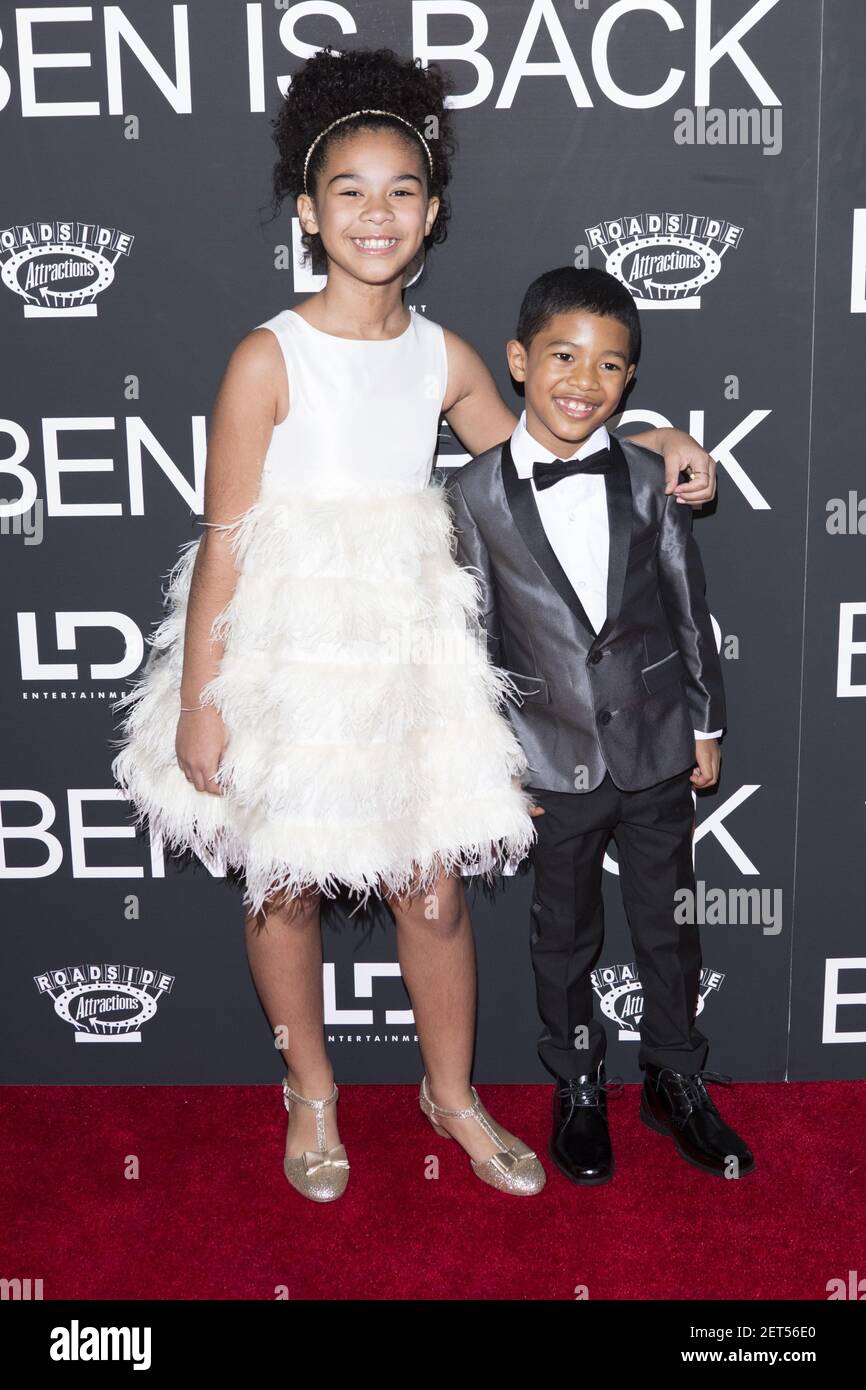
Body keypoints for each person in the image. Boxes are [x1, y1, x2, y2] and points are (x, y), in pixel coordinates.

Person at [110, 46, 717, 1204]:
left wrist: (657, 441)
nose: (374, 214)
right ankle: (313, 1095)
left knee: (432, 892)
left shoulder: (441, 355)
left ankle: (452, 1096)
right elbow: (225, 540)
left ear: (431, 213)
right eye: (348, 191)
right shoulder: (264, 358)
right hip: (283, 661)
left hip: (411, 653)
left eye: (400, 192)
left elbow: (541, 449)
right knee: (281, 884)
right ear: (306, 208)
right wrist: (201, 701)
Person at [446, 266, 754, 1185]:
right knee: (564, 936)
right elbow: (475, 640)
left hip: (657, 746)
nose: (584, 381)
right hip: (549, 762)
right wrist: (492, 763)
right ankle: (578, 1083)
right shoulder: (473, 496)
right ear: (518, 362)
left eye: (609, 366)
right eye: (563, 357)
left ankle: (674, 1077)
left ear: (629, 382)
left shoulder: (652, 477)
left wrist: (705, 723)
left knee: (668, 926)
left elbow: (687, 606)